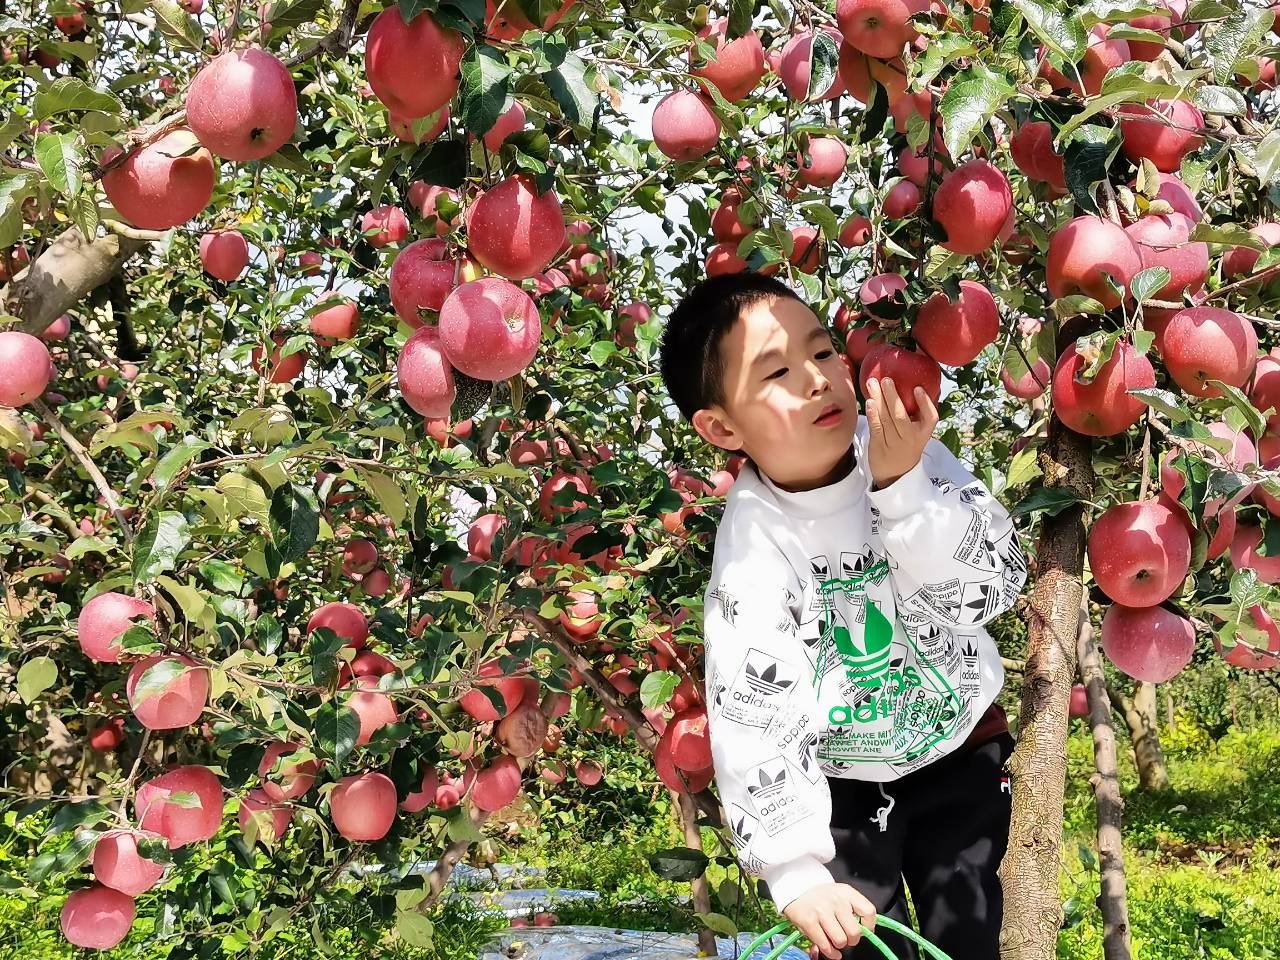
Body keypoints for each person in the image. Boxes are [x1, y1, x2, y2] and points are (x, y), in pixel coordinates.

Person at [657, 272, 1027, 960]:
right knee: (858, 944)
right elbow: (750, 704)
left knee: (971, 937)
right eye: (776, 371)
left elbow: (993, 587)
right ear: (720, 426)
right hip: (843, 785)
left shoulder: (907, 452)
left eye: (823, 352)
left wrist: (903, 486)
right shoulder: (753, 548)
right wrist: (794, 870)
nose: (817, 378)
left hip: (961, 748)